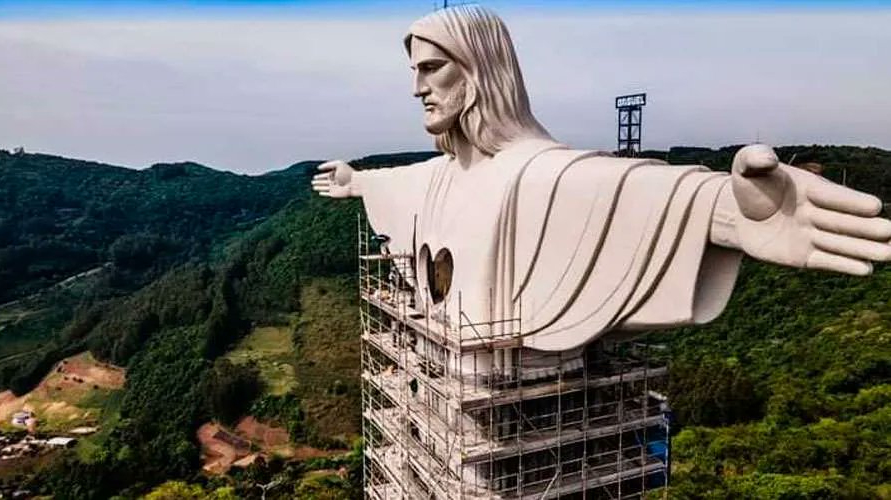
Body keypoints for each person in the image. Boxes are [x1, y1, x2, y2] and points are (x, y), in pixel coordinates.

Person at [312, 5, 891, 351]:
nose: (417, 87)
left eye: (432, 68)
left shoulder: (539, 173)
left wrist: (733, 212)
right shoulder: (442, 174)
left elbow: (629, 188)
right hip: (444, 375)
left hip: (517, 406)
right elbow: (405, 179)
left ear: (480, 71)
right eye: (413, 70)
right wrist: (359, 180)